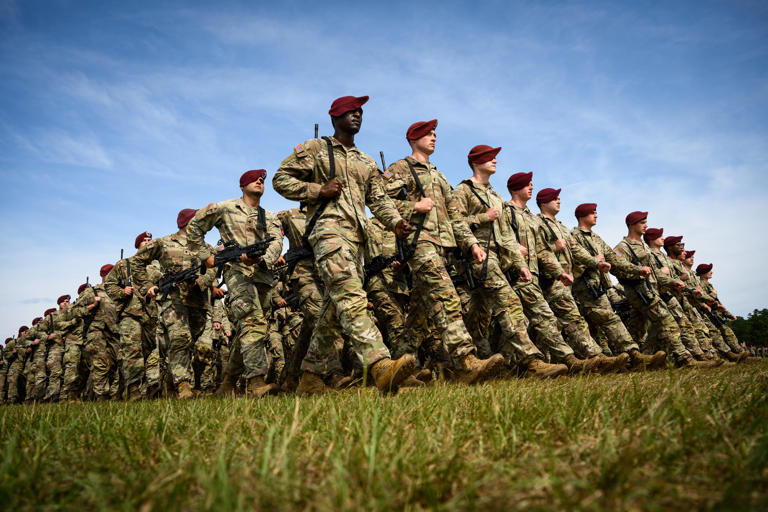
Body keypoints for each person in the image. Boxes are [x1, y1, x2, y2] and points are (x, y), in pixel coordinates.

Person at [273, 95, 417, 394]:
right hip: (328, 234)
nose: (357, 116)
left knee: (333, 309)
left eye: (360, 112)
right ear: (335, 117)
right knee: (350, 297)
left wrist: (396, 222)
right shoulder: (316, 149)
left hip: (357, 241)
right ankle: (379, 365)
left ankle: (310, 377)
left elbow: (378, 198)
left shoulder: (365, 161)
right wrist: (316, 189)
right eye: (350, 112)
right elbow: (281, 179)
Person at [452, 147, 568, 378]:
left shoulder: (495, 196)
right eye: (489, 157)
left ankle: (458, 366)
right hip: (480, 258)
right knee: (511, 302)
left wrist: (520, 264)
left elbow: (506, 235)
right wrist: (478, 233)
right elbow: (455, 222)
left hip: (500, 259)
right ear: (476, 162)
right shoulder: (463, 190)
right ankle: (532, 362)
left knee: (479, 314)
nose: (495, 160)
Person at [188, 170, 285, 398]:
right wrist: (207, 257)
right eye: (254, 179)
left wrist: (262, 258)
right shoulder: (225, 208)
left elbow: (277, 241)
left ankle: (228, 384)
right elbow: (194, 228)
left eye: (262, 180)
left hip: (262, 275)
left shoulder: (269, 216)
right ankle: (256, 383)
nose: (260, 181)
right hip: (237, 272)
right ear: (242, 186)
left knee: (247, 330)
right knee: (253, 322)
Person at [503, 172, 602, 373]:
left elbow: (542, 250)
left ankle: (569, 360)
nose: (531, 188)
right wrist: (513, 249)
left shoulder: (532, 218)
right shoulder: (505, 211)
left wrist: (559, 273)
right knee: (519, 319)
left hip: (534, 275)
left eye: (532, 185)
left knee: (538, 318)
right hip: (512, 272)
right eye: (527, 185)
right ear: (516, 188)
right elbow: (497, 238)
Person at [535, 188, 629, 371]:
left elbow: (576, 251)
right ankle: (596, 357)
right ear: (543, 202)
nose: (559, 201)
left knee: (549, 322)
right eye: (554, 198)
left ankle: (557, 362)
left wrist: (596, 263)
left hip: (565, 282)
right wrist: (555, 249)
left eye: (559, 198)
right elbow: (538, 250)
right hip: (551, 279)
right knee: (571, 318)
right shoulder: (537, 223)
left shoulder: (561, 227)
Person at [133, 209, 220, 399]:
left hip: (198, 301)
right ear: (186, 222)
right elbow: (137, 261)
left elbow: (215, 267)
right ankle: (183, 386)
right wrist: (148, 285)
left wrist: (202, 282)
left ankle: (170, 380)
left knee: (194, 343)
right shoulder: (164, 243)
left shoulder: (205, 246)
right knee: (181, 338)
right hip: (173, 301)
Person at [570, 204, 666, 369]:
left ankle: (605, 362)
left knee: (597, 327)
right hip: (585, 288)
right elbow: (574, 259)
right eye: (592, 213)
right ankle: (633, 355)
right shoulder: (574, 236)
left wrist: (637, 270)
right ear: (582, 216)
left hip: (599, 289)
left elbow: (615, 259)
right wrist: (595, 261)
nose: (596, 215)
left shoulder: (596, 238)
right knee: (608, 320)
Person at [613, 212, 709, 368]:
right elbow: (616, 269)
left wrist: (672, 282)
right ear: (632, 225)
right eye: (642, 222)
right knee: (667, 321)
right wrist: (637, 271)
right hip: (640, 293)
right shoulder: (622, 247)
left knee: (637, 329)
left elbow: (654, 273)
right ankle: (685, 360)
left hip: (650, 291)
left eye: (646, 222)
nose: (646, 225)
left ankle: (634, 361)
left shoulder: (644, 246)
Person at [104, 231, 157, 400]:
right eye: (144, 241)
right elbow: (109, 285)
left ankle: (148, 387)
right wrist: (122, 291)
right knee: (133, 352)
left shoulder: (157, 266)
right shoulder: (124, 265)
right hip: (130, 314)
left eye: (150, 240)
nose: (148, 243)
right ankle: (133, 390)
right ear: (138, 245)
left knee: (149, 353)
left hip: (152, 316)